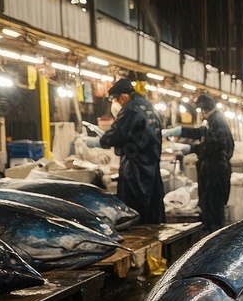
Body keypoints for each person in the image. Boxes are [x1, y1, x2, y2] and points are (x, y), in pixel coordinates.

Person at [96, 78, 165, 224]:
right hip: (152, 169)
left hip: (136, 171)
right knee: (152, 215)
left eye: (115, 99)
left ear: (123, 96)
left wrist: (99, 141)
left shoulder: (131, 109)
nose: (116, 103)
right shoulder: (149, 106)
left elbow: (118, 134)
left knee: (135, 215)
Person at [168, 94, 234, 232]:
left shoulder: (217, 120)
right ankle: (213, 234)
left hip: (214, 171)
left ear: (204, 109)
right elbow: (200, 133)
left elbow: (214, 145)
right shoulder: (213, 120)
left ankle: (214, 238)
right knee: (209, 205)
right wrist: (180, 131)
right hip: (213, 169)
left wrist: (191, 148)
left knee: (213, 207)